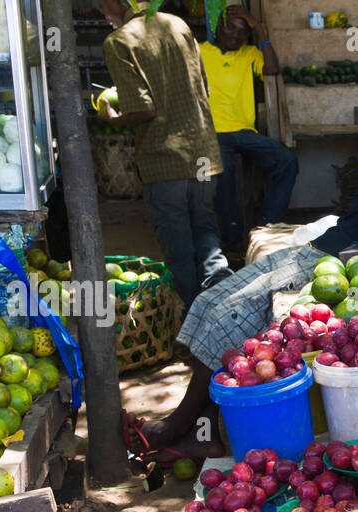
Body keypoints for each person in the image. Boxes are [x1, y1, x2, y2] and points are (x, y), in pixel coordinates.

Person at [127, 49, 358, 460]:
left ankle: (178, 426)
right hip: (324, 246)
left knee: (226, 313)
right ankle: (201, 432)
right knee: (208, 301)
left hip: (347, 261)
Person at [98, 0, 230, 308]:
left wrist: (113, 118)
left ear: (113, 4)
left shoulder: (118, 41)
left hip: (164, 159)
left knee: (179, 249)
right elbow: (204, 87)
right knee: (207, 234)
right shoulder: (179, 25)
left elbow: (143, 108)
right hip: (202, 153)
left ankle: (190, 324)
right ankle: (225, 312)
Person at [200, 6, 299, 260]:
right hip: (213, 133)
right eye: (231, 27)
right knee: (224, 177)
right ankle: (233, 240)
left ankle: (267, 228)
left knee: (286, 161)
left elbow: (273, 69)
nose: (236, 35)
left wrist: (259, 29)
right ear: (218, 26)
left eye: (243, 31)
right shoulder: (200, 52)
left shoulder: (251, 54)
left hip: (245, 132)